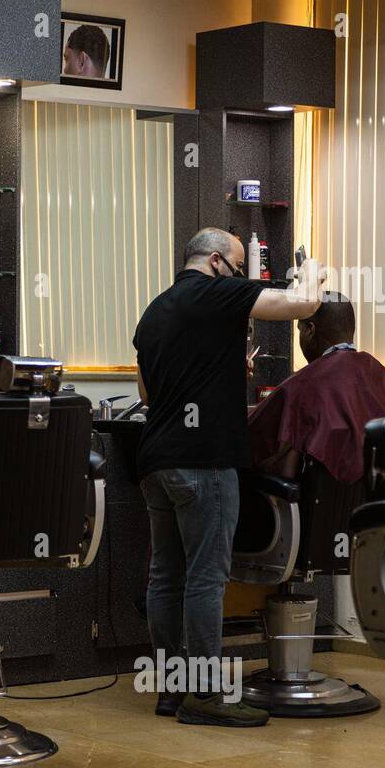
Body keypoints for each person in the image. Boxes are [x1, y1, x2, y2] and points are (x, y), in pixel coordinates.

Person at [133, 227, 323, 727]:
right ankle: (207, 694)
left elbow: (150, 395)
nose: (241, 279)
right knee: (205, 577)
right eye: (239, 269)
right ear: (217, 262)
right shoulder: (219, 291)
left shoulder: (154, 311)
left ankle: (173, 689)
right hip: (205, 461)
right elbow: (302, 305)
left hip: (156, 459)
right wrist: (313, 271)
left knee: (166, 576)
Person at [248, 294, 385, 482]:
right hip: (377, 505)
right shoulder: (383, 378)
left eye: (300, 329)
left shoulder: (306, 384)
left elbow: (251, 438)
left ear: (310, 330)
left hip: (318, 507)